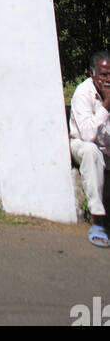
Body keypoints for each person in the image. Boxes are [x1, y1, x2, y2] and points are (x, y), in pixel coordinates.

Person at [70, 50, 110, 247]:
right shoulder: (82, 93)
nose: (108, 79)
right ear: (92, 74)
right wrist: (106, 105)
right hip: (84, 146)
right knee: (90, 150)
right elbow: (87, 135)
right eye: (103, 74)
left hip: (107, 148)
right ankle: (97, 219)